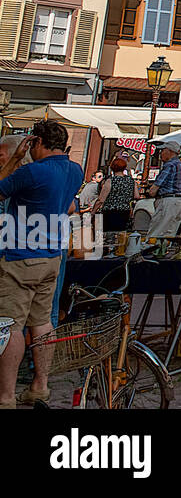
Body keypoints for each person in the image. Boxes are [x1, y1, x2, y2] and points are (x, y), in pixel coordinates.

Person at [0, 122, 83, 408]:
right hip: (52, 256)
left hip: (20, 256)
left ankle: (6, 396)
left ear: (37, 141)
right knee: (42, 322)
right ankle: (40, 385)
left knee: (10, 325)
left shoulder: (31, 171)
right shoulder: (75, 170)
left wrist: (13, 158)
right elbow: (69, 205)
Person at [145, 141, 181, 241]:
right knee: (170, 233)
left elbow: (154, 188)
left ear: (170, 151)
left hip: (168, 201)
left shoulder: (170, 165)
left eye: (163, 150)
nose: (161, 153)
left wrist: (150, 192)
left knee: (157, 231)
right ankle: (162, 252)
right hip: (179, 201)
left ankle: (150, 252)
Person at [92, 157, 135, 233]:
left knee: (109, 236)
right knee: (121, 235)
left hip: (110, 212)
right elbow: (136, 196)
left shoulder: (111, 181)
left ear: (112, 168)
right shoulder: (131, 180)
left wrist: (93, 212)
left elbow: (101, 200)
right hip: (125, 212)